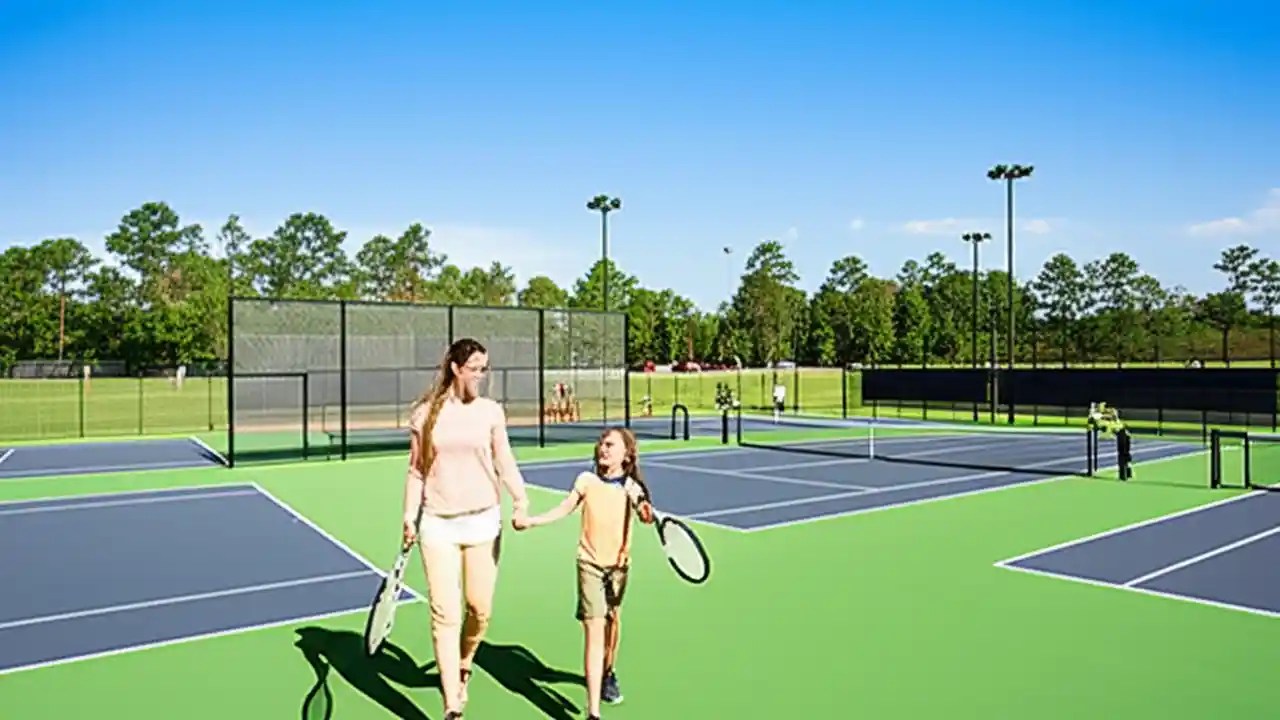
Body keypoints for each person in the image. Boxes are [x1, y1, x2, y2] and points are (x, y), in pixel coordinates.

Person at [402, 337, 532, 720]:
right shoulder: (425, 414)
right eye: (475, 368)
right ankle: (451, 702)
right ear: (457, 369)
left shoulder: (491, 412)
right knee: (445, 613)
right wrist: (409, 516)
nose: (481, 375)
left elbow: (504, 460)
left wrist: (520, 500)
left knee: (479, 608)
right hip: (437, 524)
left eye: (484, 368)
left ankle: (465, 658)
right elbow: (416, 471)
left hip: (483, 521)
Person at [513, 427, 655, 720]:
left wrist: (643, 507)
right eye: (602, 444)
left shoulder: (631, 487)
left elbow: (645, 514)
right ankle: (593, 712)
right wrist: (533, 521)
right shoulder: (586, 481)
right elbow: (564, 509)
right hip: (589, 564)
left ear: (626, 454)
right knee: (594, 631)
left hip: (618, 569)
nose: (604, 449)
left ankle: (608, 672)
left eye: (611, 445)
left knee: (612, 625)